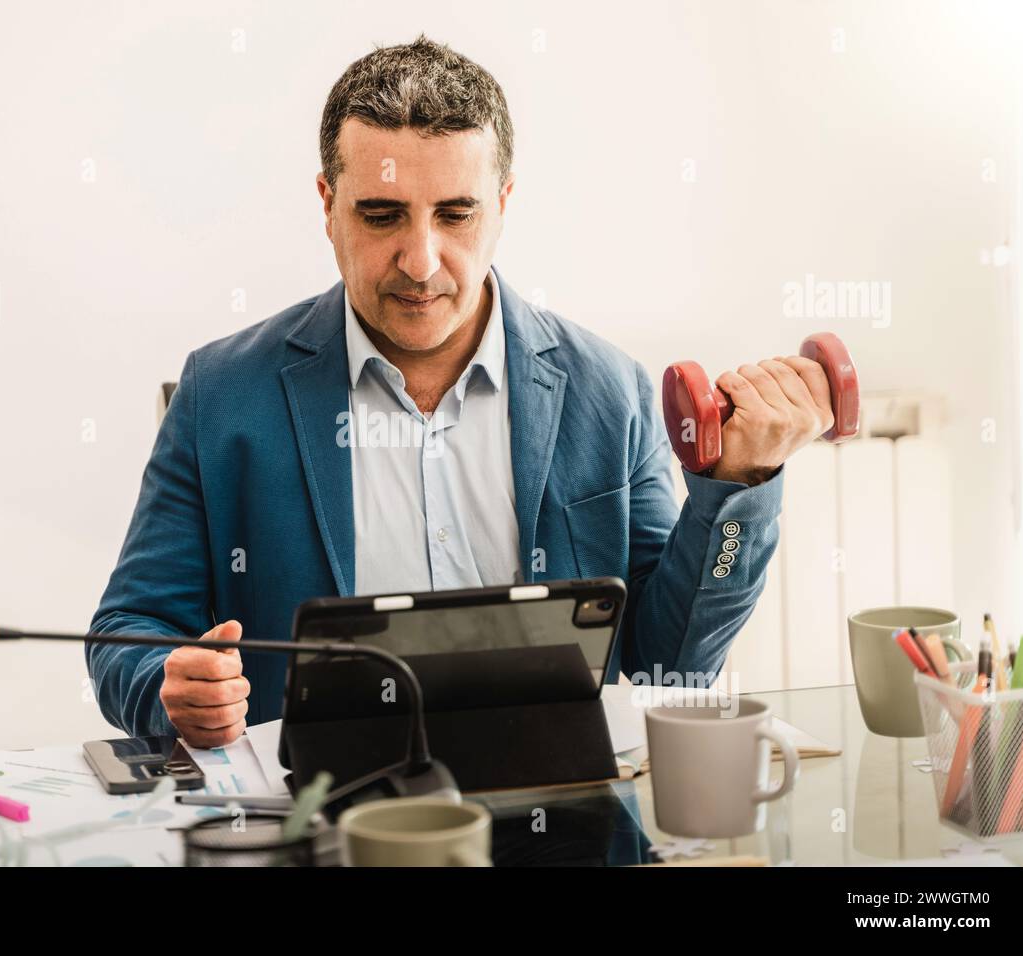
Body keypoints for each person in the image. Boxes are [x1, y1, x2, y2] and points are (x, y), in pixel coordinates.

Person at [87, 35, 834, 747]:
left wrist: (736, 489)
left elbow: (671, 667)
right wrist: (168, 689)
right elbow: (129, 631)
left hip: (555, 807)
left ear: (502, 203)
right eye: (382, 215)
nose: (419, 261)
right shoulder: (220, 394)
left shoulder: (610, 390)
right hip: (318, 819)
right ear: (327, 203)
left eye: (455, 213)